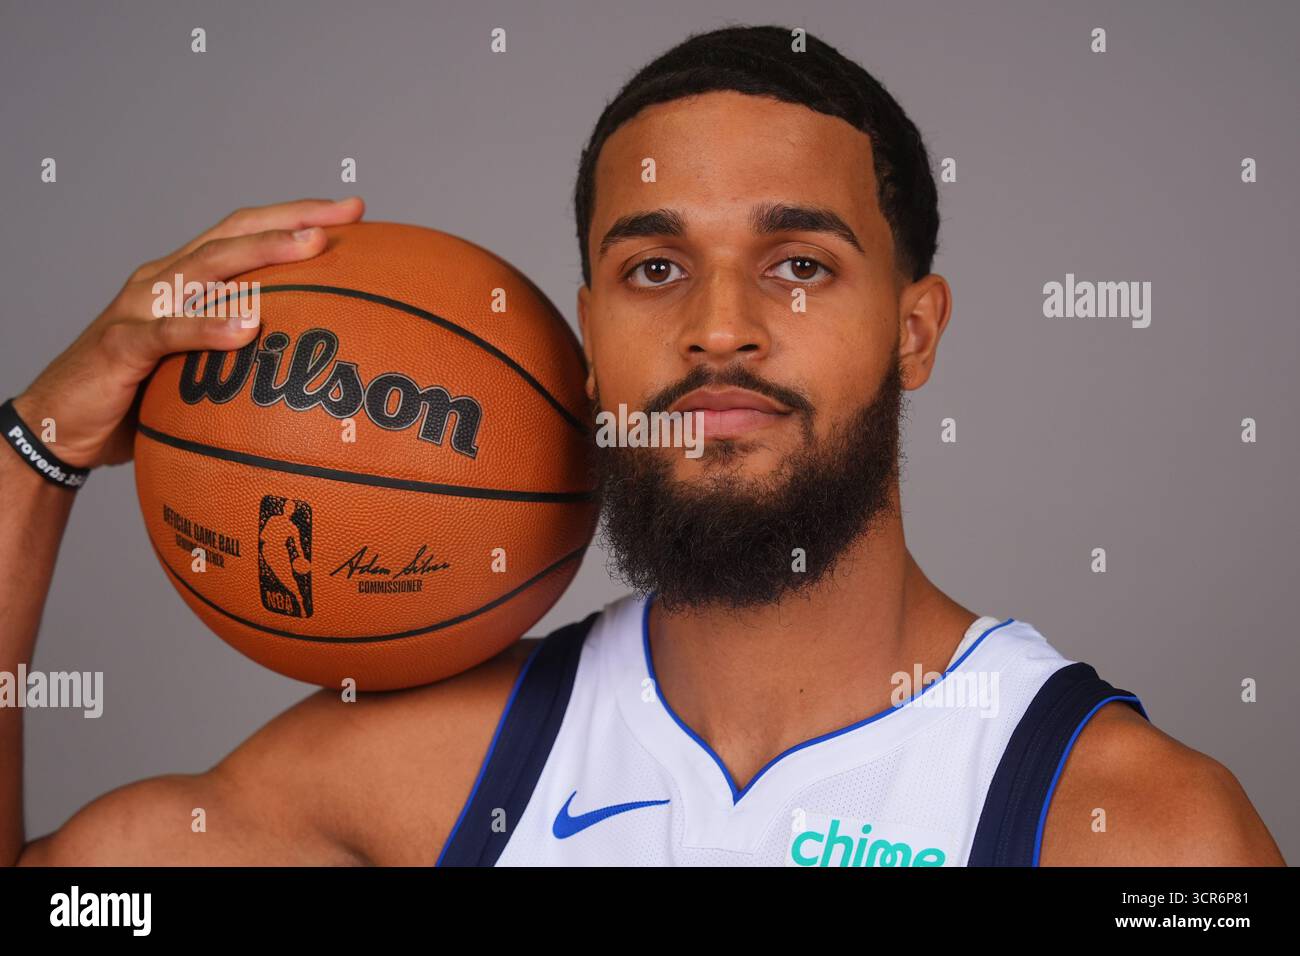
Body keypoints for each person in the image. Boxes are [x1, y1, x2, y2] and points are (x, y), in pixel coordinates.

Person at [1, 25, 1284, 867]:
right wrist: (38, 447)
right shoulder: (424, 773)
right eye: (654, 264)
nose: (717, 328)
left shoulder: (1128, 829)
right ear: (584, 335)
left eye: (798, 264)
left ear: (914, 328)